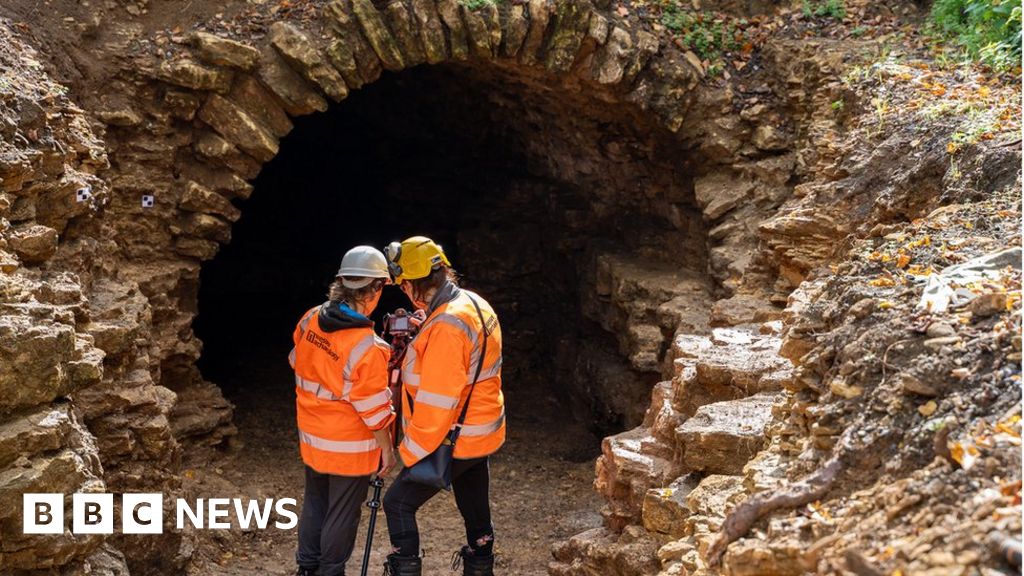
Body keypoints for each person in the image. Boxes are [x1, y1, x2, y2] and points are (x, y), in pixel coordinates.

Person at [381, 236, 505, 576]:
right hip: (481, 432)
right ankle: (481, 567)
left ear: (411, 283)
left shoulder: (446, 328)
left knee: (398, 503)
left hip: (455, 438)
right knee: (475, 509)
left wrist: (406, 454)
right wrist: (425, 333)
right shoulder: (473, 304)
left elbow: (438, 405)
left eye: (403, 284)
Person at [290, 246, 397, 576]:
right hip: (350, 445)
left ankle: (307, 568)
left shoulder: (310, 318)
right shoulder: (369, 346)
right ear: (375, 289)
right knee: (342, 513)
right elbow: (374, 410)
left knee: (316, 502)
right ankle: (330, 571)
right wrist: (387, 450)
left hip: (312, 433)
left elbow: (297, 361)